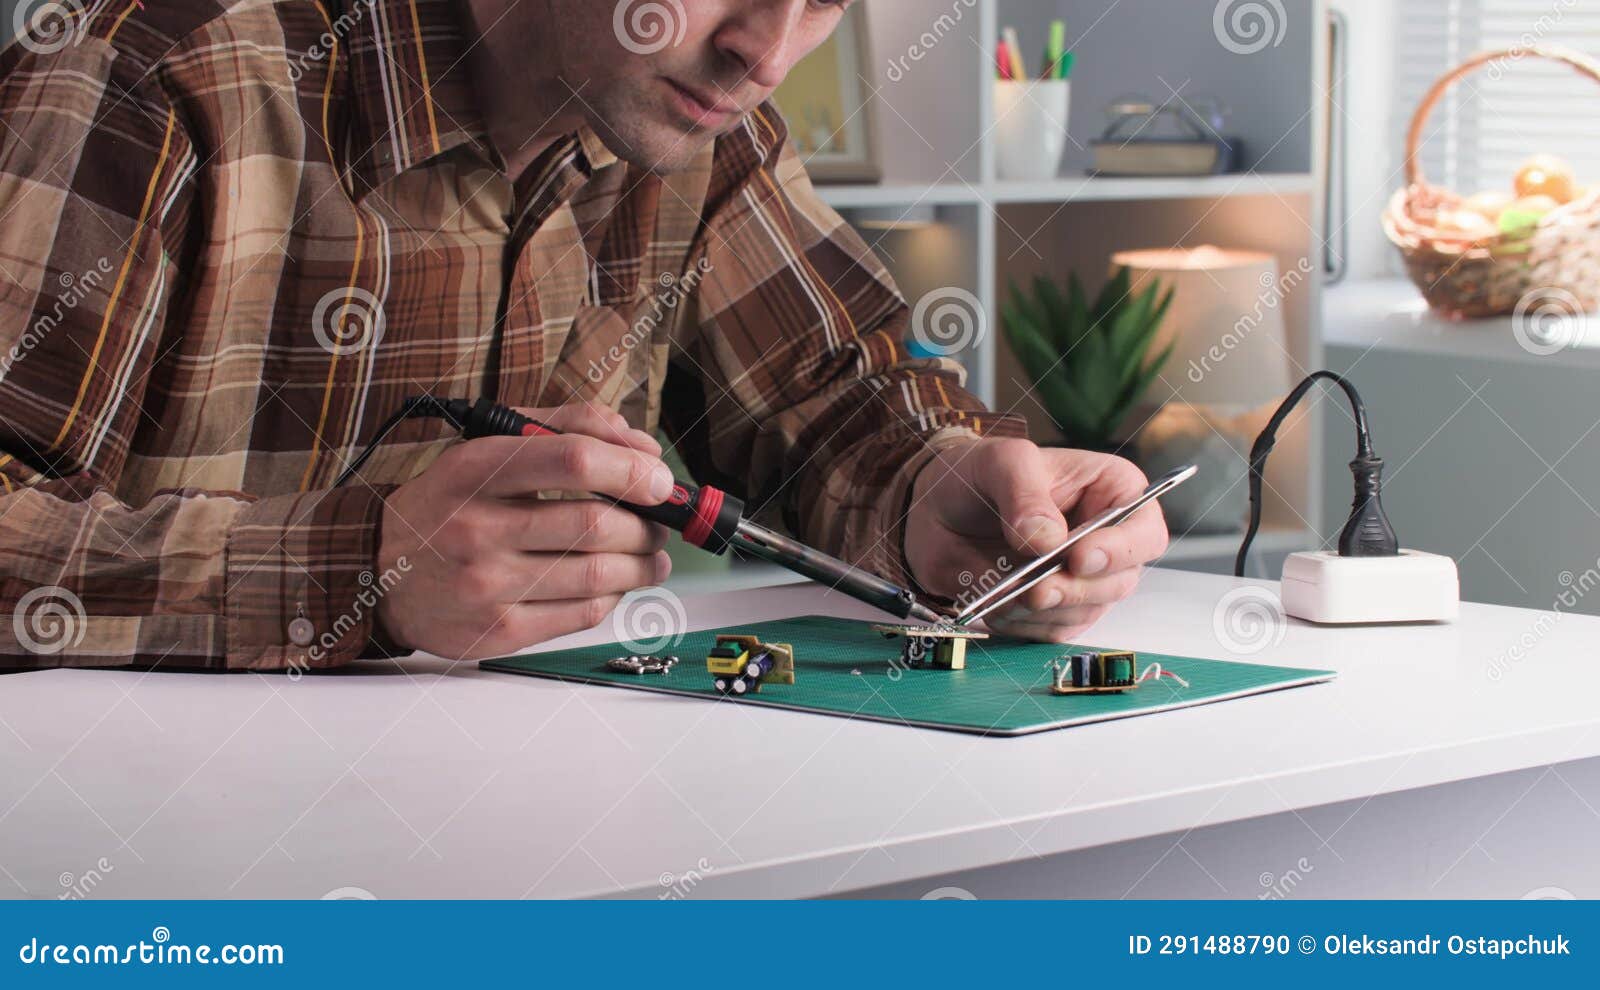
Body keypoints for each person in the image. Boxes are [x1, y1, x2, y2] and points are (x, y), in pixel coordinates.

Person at [0, 0, 1165, 671]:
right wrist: (358, 568)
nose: (765, 54)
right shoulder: (152, 79)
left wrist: (945, 495)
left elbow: (837, 410)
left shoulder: (699, 139)